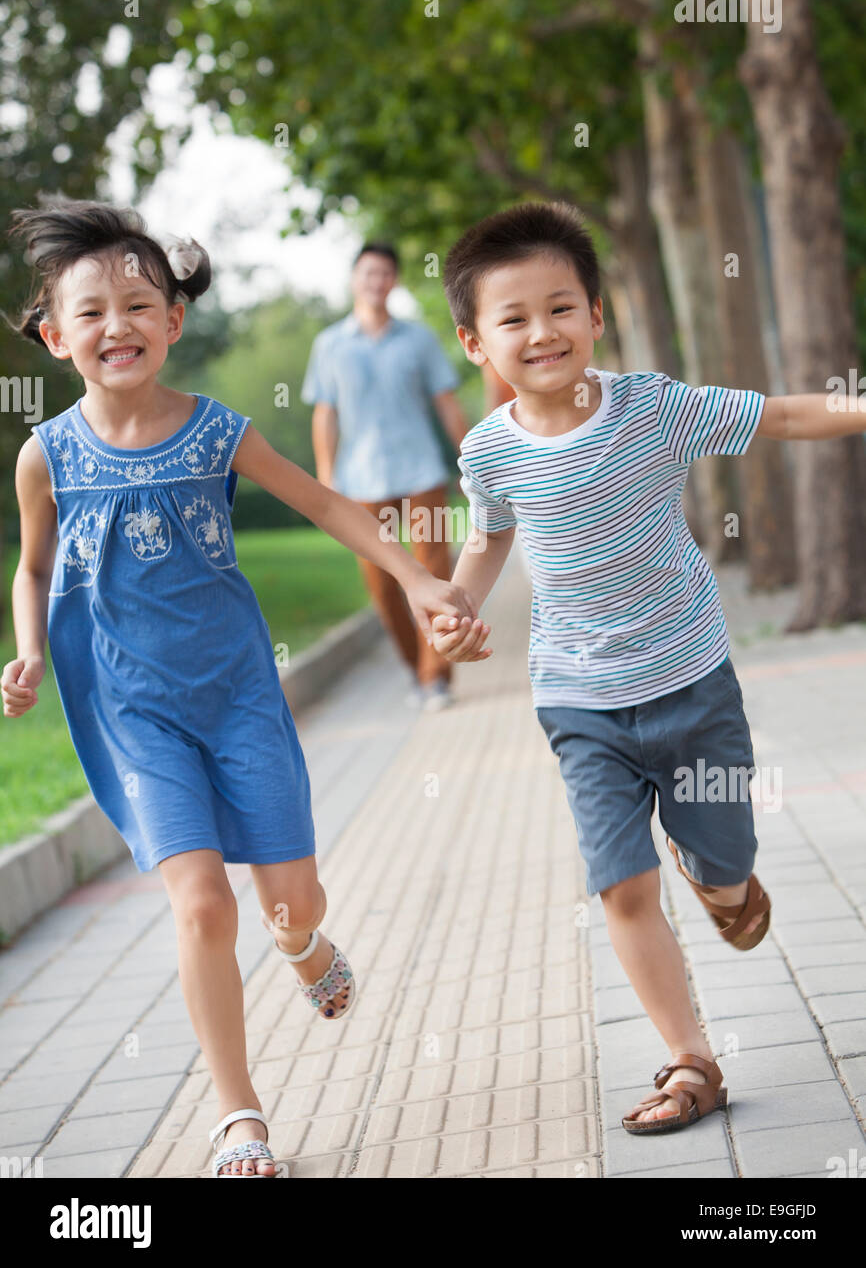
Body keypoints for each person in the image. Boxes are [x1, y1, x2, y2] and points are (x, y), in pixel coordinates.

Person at [0, 200, 476, 1178]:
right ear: (54, 337)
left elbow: (327, 502)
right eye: (89, 312)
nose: (116, 325)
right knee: (203, 905)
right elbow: (33, 569)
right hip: (132, 711)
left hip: (240, 696)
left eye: (139, 303)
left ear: (174, 321)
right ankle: (239, 1114)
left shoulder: (219, 432)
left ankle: (302, 949)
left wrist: (422, 578)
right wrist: (30, 651)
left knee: (290, 903)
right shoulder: (45, 455)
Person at [430, 199, 866, 1134]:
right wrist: (457, 606)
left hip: (691, 680)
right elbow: (490, 538)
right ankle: (689, 1060)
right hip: (580, 699)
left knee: (727, 857)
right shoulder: (487, 451)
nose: (540, 332)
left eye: (560, 307)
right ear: (475, 342)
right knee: (621, 886)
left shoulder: (651, 406)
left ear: (597, 314)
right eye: (513, 319)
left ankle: (723, 882)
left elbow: (783, 414)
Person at [301, 241, 470, 711]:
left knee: (435, 572)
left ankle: (437, 676)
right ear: (355, 279)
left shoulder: (418, 340)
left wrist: (468, 462)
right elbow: (325, 414)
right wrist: (325, 474)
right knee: (381, 582)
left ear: (393, 282)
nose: (376, 282)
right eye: (368, 273)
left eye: (385, 274)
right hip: (361, 481)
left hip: (421, 475)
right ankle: (416, 665)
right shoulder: (329, 344)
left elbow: (446, 405)